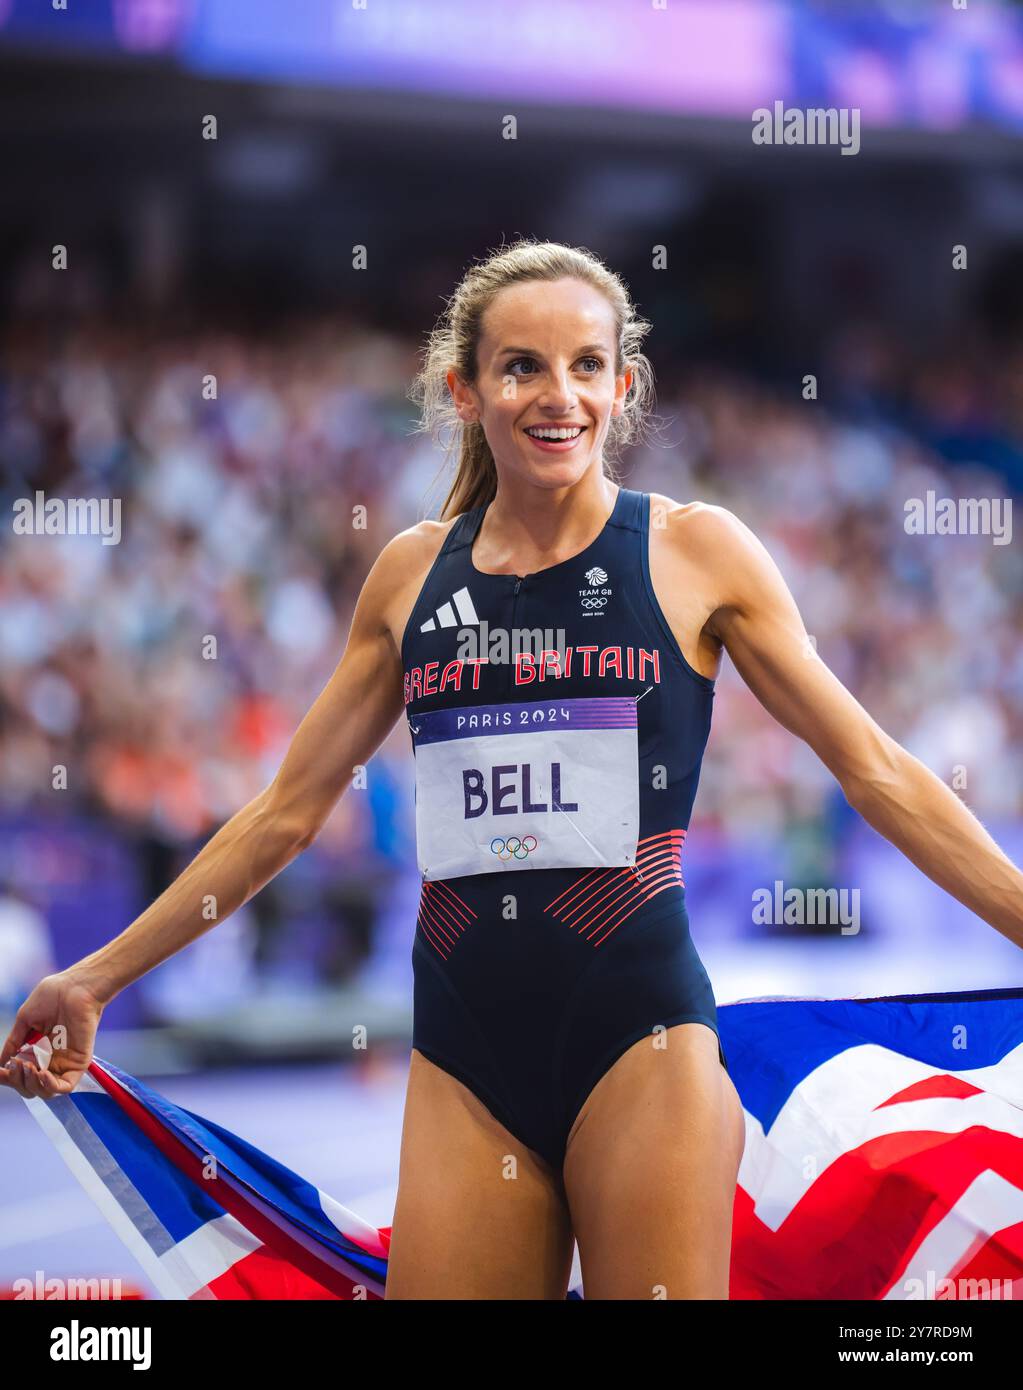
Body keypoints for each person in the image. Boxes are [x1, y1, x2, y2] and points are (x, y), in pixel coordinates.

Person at [3, 240, 1022, 1301]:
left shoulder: (696, 554)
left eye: (587, 365)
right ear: (464, 388)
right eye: (522, 366)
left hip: (643, 1039)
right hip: (463, 1053)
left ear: (623, 386)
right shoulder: (410, 575)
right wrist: (95, 977)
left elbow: (877, 772)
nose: (559, 394)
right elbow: (282, 817)